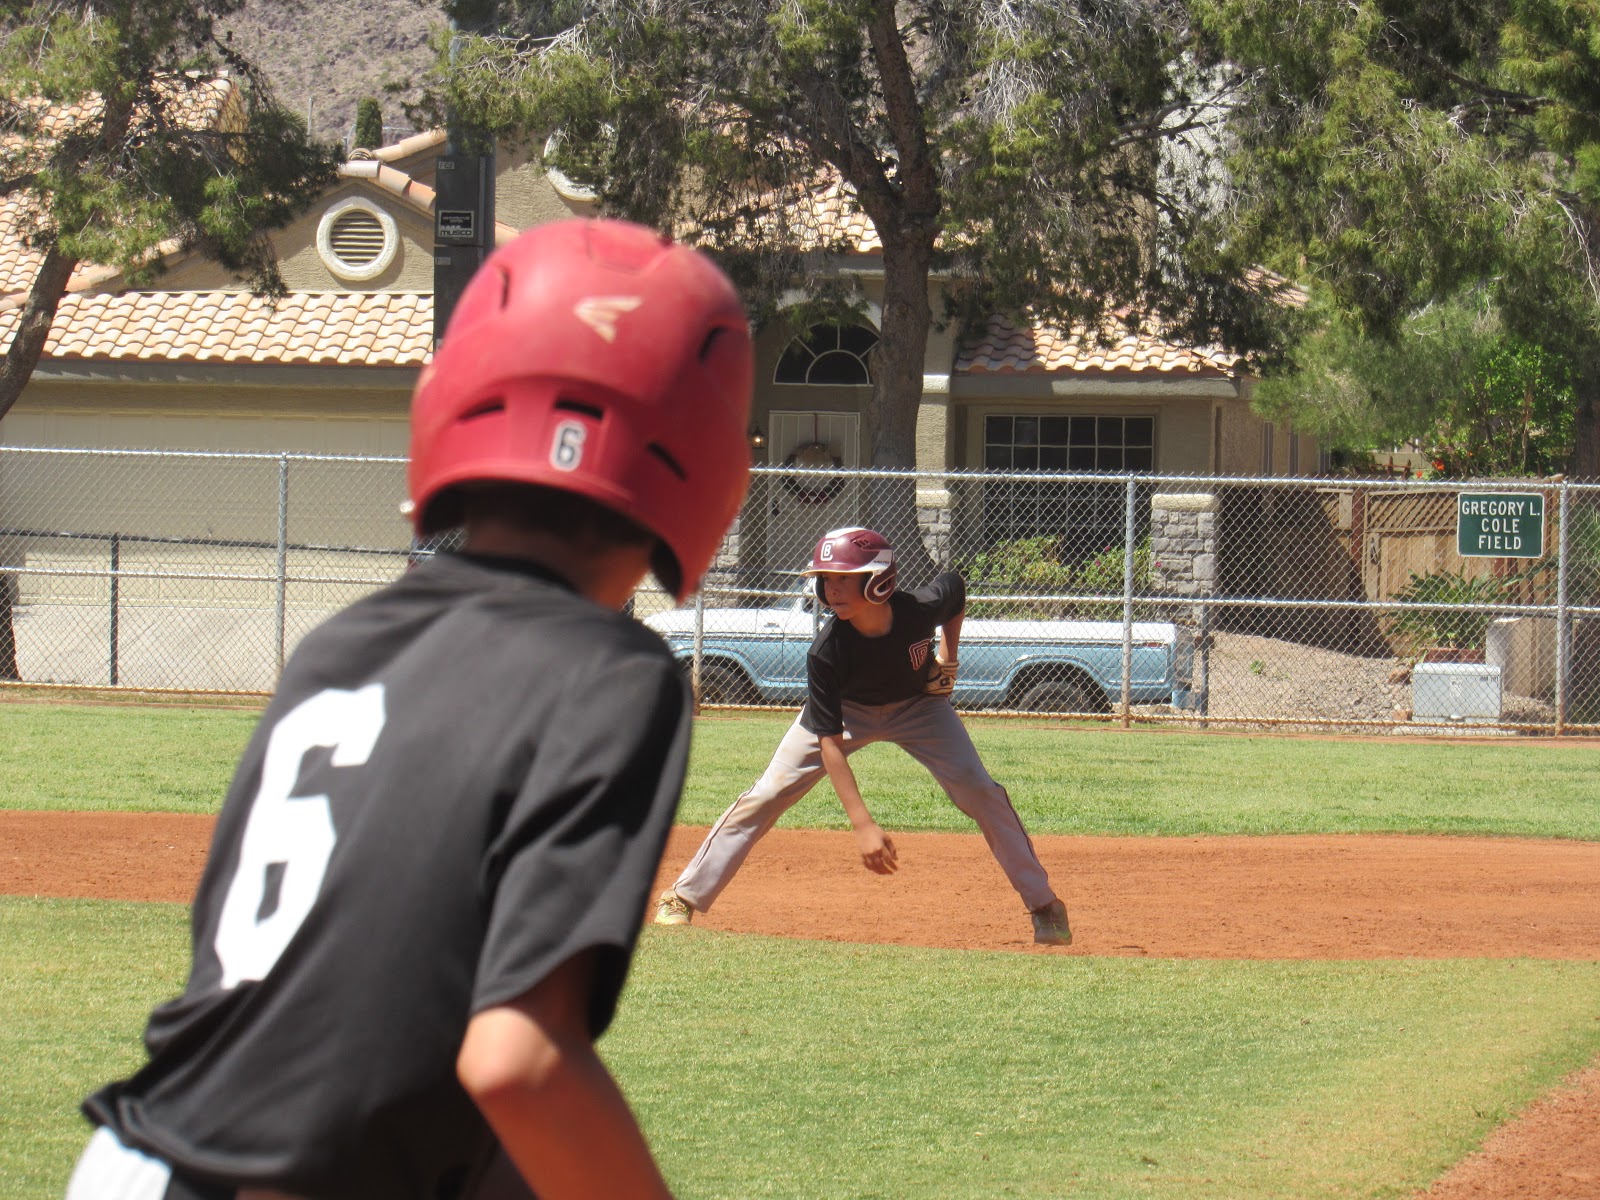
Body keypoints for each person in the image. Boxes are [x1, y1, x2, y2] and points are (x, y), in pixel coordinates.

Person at [65, 217, 754, 1200]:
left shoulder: (346, 641)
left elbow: (359, 1023)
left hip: (139, 1161)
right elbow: (518, 1062)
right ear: (709, 458)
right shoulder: (609, 674)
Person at [654, 526, 1072, 947]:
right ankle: (682, 896)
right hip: (847, 712)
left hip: (919, 709)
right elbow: (830, 745)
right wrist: (863, 823)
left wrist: (950, 658)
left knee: (980, 790)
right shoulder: (827, 651)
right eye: (826, 579)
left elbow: (954, 588)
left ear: (878, 581)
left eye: (844, 578)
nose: (831, 589)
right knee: (768, 792)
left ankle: (1044, 906)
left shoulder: (918, 610)